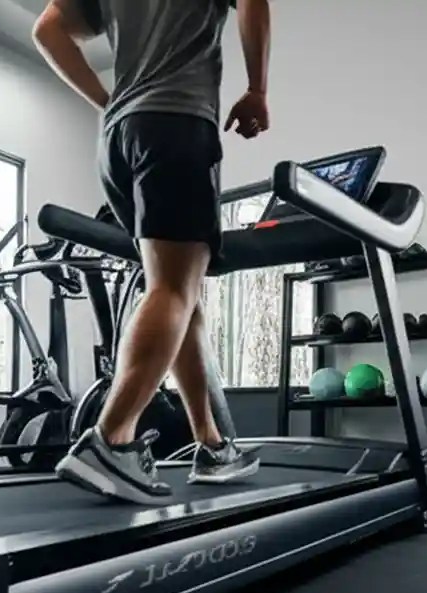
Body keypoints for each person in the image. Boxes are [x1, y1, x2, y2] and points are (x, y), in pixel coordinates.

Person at [32, 0, 270, 504]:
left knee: (184, 295)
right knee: (173, 289)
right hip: (177, 121)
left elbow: (49, 29)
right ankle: (111, 439)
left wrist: (107, 100)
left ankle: (211, 444)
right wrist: (257, 89)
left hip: (119, 137)